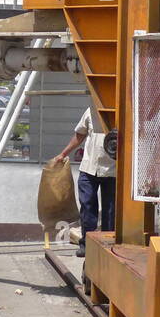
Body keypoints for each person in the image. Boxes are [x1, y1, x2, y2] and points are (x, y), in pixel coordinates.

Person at [52, 106, 114, 257]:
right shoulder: (90, 111)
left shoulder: (123, 109)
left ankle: (106, 246)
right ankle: (86, 245)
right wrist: (63, 154)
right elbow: (79, 135)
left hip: (113, 169)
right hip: (89, 167)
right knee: (87, 208)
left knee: (110, 211)